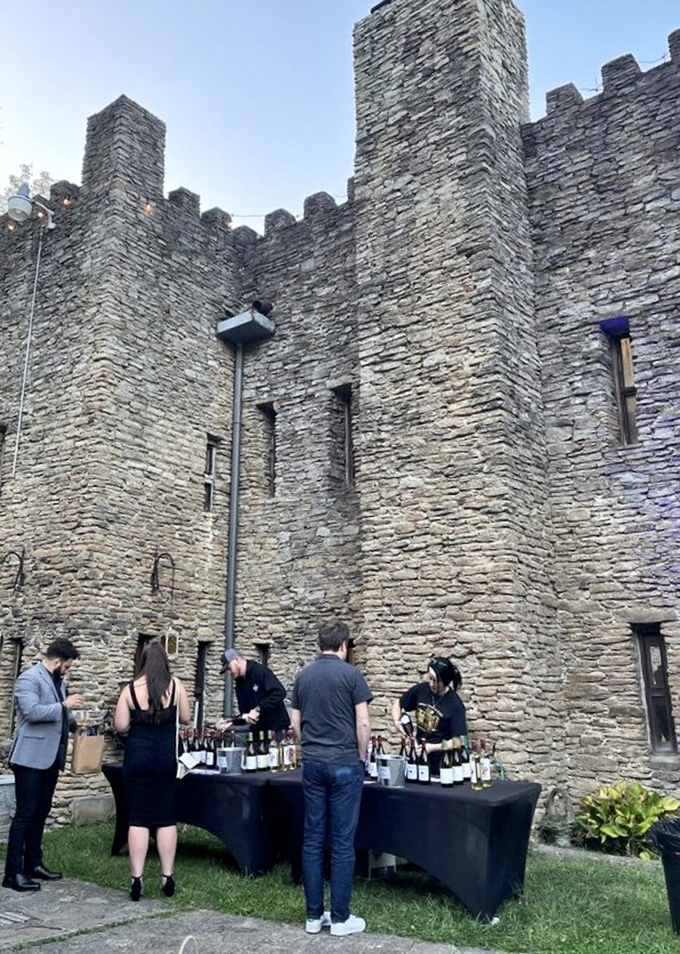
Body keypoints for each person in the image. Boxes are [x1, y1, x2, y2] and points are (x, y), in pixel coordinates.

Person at [291, 620, 372, 938]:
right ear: (344, 646)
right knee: (342, 842)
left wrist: (307, 747)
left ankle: (313, 916)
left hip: (313, 763)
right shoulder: (352, 675)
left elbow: (295, 723)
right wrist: (361, 757)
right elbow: (363, 723)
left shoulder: (303, 676)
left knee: (312, 839)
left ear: (319, 644)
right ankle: (340, 918)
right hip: (344, 763)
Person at [3, 638, 83, 892]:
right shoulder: (29, 679)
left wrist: (74, 723)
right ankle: (12, 873)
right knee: (26, 813)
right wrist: (63, 706)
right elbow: (32, 712)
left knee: (41, 811)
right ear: (57, 661)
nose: (68, 671)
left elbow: (60, 714)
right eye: (67, 666)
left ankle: (33, 863)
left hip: (50, 758)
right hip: (29, 757)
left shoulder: (59, 682)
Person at [114, 641, 191, 901]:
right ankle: (167, 875)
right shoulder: (176, 685)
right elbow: (186, 718)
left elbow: (121, 726)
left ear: (142, 661)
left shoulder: (129, 690)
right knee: (166, 818)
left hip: (138, 759)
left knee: (138, 819)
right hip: (164, 759)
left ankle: (137, 878)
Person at [391, 656, 467, 776]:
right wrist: (397, 722)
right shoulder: (421, 690)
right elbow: (398, 703)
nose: (431, 683)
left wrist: (432, 747)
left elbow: (458, 742)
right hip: (418, 758)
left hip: (442, 764)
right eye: (429, 678)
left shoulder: (455, 704)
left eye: (435, 681)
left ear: (445, 681)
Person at [218, 648, 290, 733]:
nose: (229, 673)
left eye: (229, 668)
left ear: (237, 660)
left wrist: (258, 709)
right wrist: (232, 722)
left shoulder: (260, 671)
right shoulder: (239, 684)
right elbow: (247, 715)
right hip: (257, 733)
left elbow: (279, 692)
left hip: (277, 730)